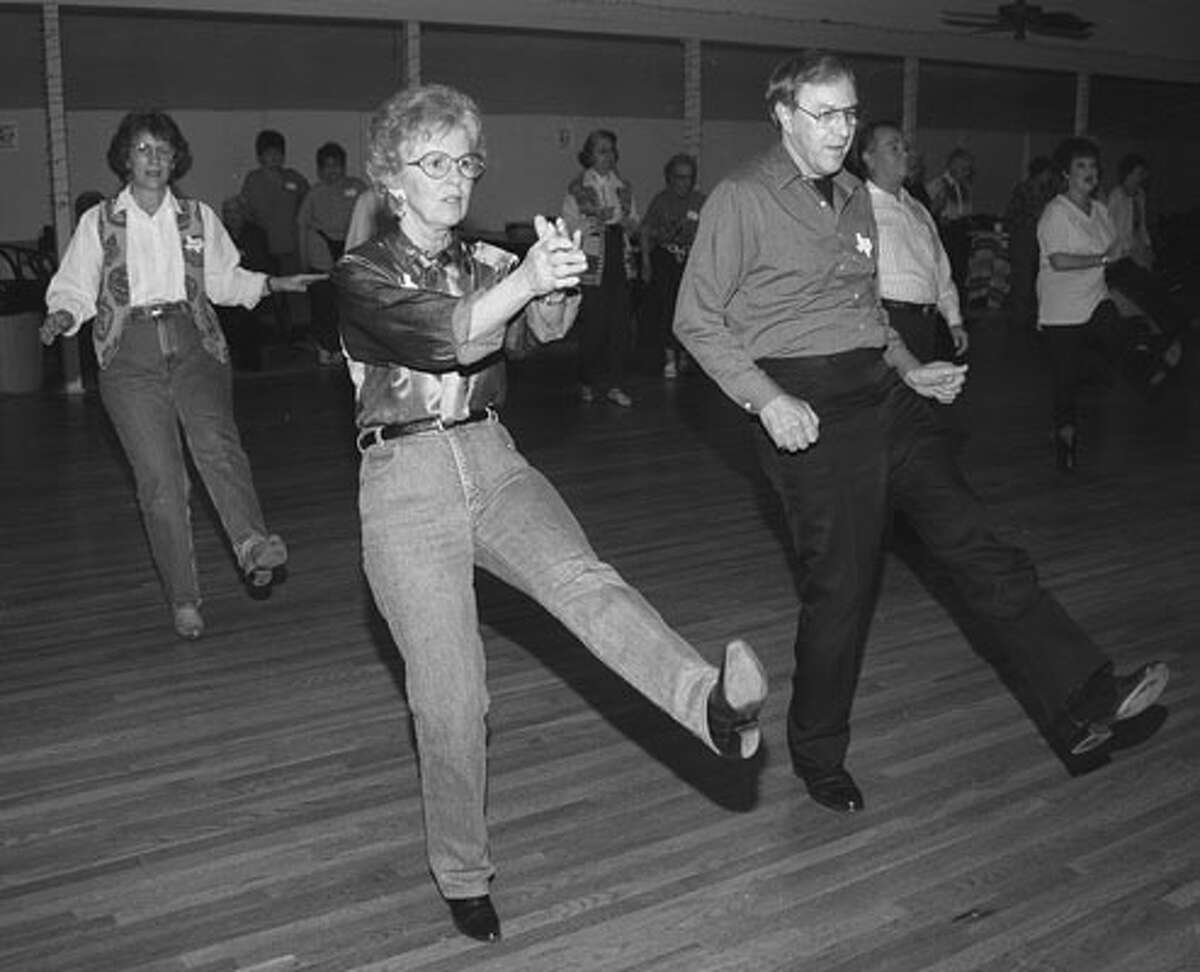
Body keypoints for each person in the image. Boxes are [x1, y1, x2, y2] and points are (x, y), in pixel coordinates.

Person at [674, 51, 1168, 816]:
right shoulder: (742, 196)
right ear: (782, 115)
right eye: (824, 114)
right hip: (802, 409)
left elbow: (869, 311)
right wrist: (765, 401)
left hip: (883, 394)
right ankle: (815, 753)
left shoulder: (856, 199)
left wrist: (907, 368)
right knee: (842, 594)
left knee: (976, 541)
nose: (841, 129)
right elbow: (695, 318)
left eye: (849, 113)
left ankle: (1083, 701)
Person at [330, 84, 768, 944]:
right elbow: (454, 334)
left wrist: (558, 284)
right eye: (435, 163)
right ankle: (462, 872)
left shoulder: (489, 259)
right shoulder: (363, 275)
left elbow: (536, 334)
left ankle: (712, 709)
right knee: (453, 699)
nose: (455, 178)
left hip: (491, 458)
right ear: (392, 176)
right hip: (403, 481)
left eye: (465, 161)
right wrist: (527, 281)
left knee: (584, 583)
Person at [41, 110, 319, 639]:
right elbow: (76, 286)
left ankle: (251, 544)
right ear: (125, 158)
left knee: (216, 441)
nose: (154, 160)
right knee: (161, 482)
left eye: (163, 151)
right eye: (143, 150)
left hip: (195, 343)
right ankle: (183, 597)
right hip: (128, 357)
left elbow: (222, 280)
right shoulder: (99, 222)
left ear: (176, 160)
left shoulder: (197, 216)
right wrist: (63, 313)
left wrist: (273, 285)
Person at [1036, 138, 1174, 472]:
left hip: (1095, 298)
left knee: (1117, 333)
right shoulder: (1056, 212)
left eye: (1094, 167)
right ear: (1066, 174)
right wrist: (1101, 258)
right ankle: (1065, 440)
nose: (1089, 173)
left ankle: (1148, 373)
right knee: (1065, 383)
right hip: (1060, 309)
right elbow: (1059, 261)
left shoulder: (1099, 210)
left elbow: (1114, 253)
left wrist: (1129, 266)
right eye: (1081, 166)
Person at [859, 121, 968, 364]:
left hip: (925, 323)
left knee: (921, 399)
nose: (905, 154)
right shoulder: (860, 206)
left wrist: (954, 320)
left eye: (905, 148)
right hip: (885, 323)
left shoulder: (917, 209)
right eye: (894, 148)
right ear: (869, 157)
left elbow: (939, 268)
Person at [562, 129, 638, 407]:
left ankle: (617, 384)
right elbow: (569, 226)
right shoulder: (577, 188)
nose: (607, 156)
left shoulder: (624, 187)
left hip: (620, 261)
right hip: (594, 263)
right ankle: (587, 381)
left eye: (611, 150)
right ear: (589, 155)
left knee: (621, 327)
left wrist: (628, 223)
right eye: (601, 150)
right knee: (593, 327)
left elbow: (634, 222)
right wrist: (592, 221)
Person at [1104, 154, 1188, 368]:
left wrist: (1148, 247)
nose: (1143, 177)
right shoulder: (1116, 196)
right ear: (1129, 174)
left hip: (1137, 251)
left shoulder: (1139, 195)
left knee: (1152, 295)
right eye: (1139, 173)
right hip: (1122, 256)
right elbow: (1114, 232)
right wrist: (1123, 254)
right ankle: (1148, 340)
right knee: (1138, 298)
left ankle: (1159, 339)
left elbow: (1140, 227)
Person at [296, 141, 366, 364]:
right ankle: (325, 346)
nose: (332, 171)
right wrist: (303, 259)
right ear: (319, 169)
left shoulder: (358, 187)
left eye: (336, 166)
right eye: (327, 166)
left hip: (350, 250)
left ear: (344, 167)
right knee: (322, 302)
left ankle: (343, 347)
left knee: (347, 304)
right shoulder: (315, 193)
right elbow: (302, 226)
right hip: (321, 251)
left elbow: (371, 217)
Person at [239, 129, 310, 344]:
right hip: (263, 249)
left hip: (291, 246)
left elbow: (307, 207)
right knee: (267, 294)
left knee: (297, 293)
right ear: (260, 156)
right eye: (269, 153)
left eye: (278, 153)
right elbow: (246, 213)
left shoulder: (294, 178)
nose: (274, 157)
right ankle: (272, 336)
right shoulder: (253, 180)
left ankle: (300, 333)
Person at [639, 153, 706, 378]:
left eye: (689, 177)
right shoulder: (661, 201)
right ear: (670, 178)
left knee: (691, 310)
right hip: (666, 259)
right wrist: (646, 264)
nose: (684, 183)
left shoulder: (700, 201)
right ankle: (669, 357)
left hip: (692, 262)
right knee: (668, 307)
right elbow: (646, 231)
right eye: (679, 177)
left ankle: (685, 352)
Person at [1004, 156, 1059, 331]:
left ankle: (1029, 319)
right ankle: (1019, 322)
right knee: (1023, 283)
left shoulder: (1045, 190)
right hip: (1024, 240)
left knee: (1034, 281)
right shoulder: (1026, 190)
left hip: (1036, 242)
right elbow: (1015, 216)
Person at [926, 146, 975, 292]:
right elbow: (926, 212)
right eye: (965, 168)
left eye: (968, 168)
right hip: (945, 234)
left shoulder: (965, 187)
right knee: (945, 273)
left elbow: (965, 211)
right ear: (953, 166)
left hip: (961, 233)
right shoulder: (937, 185)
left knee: (960, 272)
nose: (968, 172)